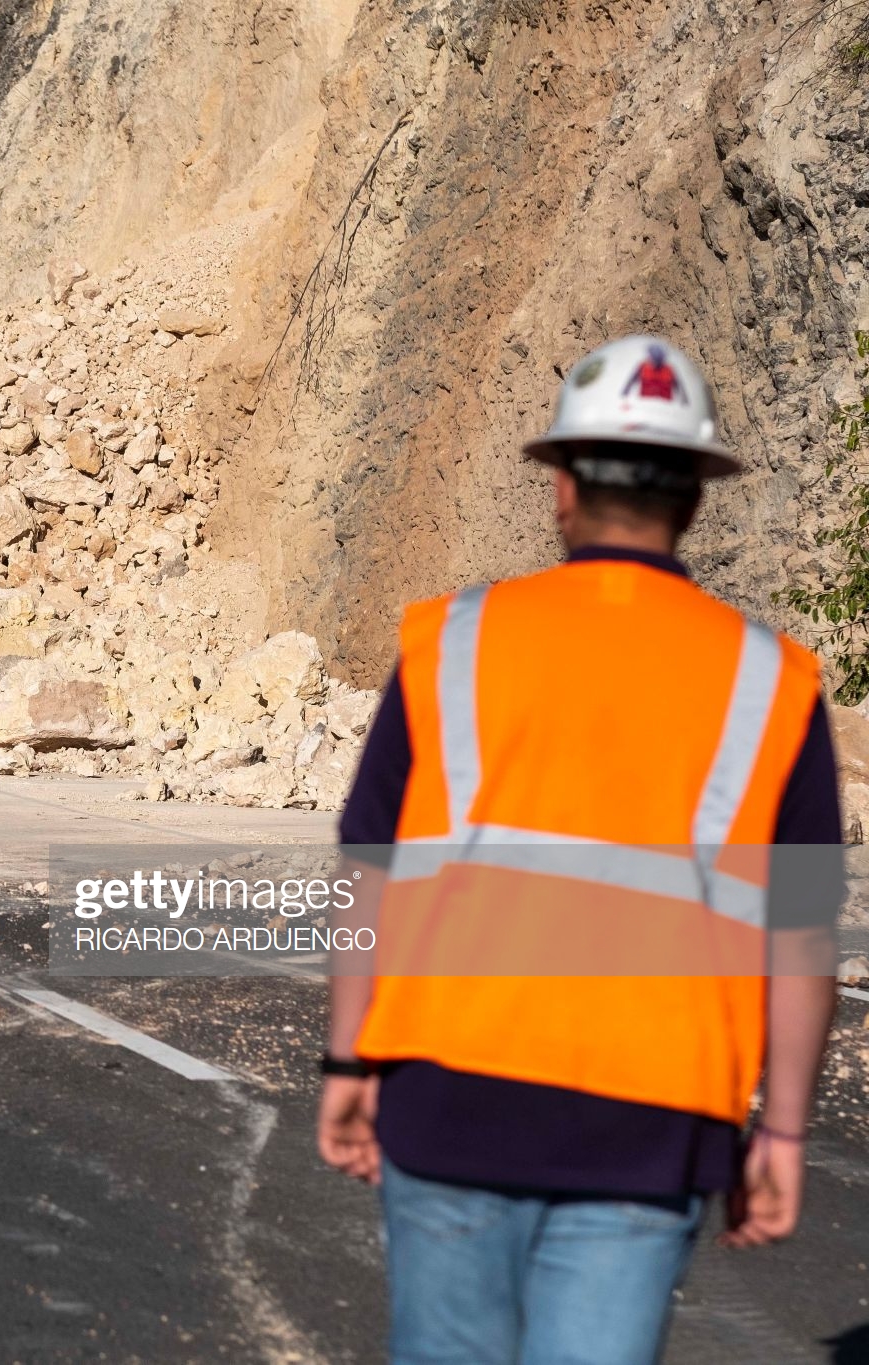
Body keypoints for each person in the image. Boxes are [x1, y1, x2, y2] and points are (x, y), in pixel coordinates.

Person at [319, 334, 840, 1364]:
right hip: (653, 1117)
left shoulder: (449, 642)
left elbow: (367, 870)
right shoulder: (773, 682)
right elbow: (801, 933)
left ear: (558, 486)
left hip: (449, 1085)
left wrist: (346, 1058)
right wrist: (779, 1130)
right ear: (692, 495)